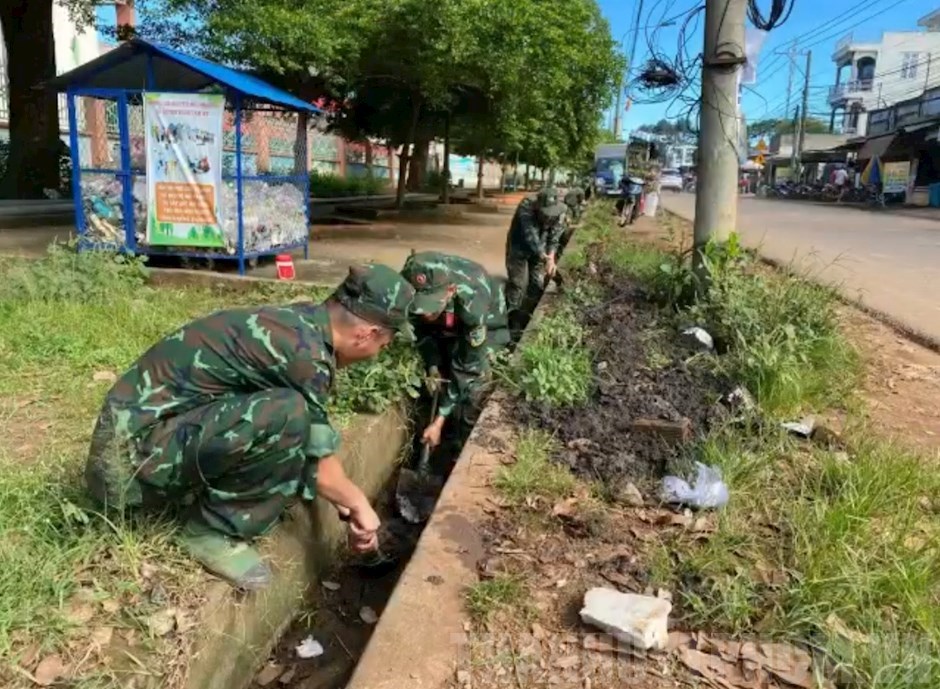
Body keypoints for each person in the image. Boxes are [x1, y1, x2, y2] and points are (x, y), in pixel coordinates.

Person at [84, 264, 416, 590]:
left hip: (142, 442)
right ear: (366, 334)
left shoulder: (298, 327)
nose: (376, 354)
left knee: (290, 417)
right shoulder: (305, 357)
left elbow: (310, 445)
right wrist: (359, 504)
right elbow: (317, 462)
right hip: (125, 472)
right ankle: (211, 533)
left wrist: (340, 498)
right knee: (287, 412)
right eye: (383, 345)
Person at [400, 251, 510, 454]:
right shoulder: (414, 287)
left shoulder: (472, 302)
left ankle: (461, 446)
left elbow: (468, 366)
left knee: (474, 390)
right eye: (420, 308)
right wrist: (432, 364)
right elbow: (421, 330)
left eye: (431, 307)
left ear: (450, 290)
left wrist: (439, 421)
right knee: (443, 366)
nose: (425, 313)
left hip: (490, 329)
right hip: (450, 324)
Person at [505, 187, 567, 322]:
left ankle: (529, 315)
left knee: (537, 283)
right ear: (537, 207)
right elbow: (530, 235)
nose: (548, 217)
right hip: (519, 245)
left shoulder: (561, 212)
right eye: (545, 214)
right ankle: (511, 319)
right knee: (517, 285)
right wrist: (543, 256)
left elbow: (555, 236)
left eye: (551, 214)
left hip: (542, 247)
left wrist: (550, 258)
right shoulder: (526, 206)